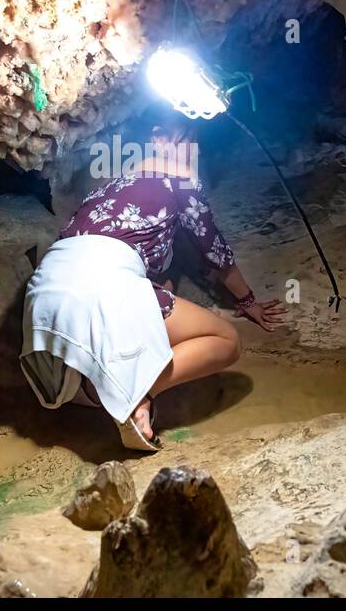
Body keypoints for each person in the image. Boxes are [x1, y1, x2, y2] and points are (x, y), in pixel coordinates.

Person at [20, 110, 287, 451]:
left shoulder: (109, 187)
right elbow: (212, 247)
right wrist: (248, 302)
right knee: (226, 340)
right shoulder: (180, 176)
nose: (197, 155)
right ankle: (138, 396)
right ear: (166, 140)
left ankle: (91, 388)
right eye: (193, 145)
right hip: (104, 282)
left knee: (151, 301)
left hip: (45, 297)